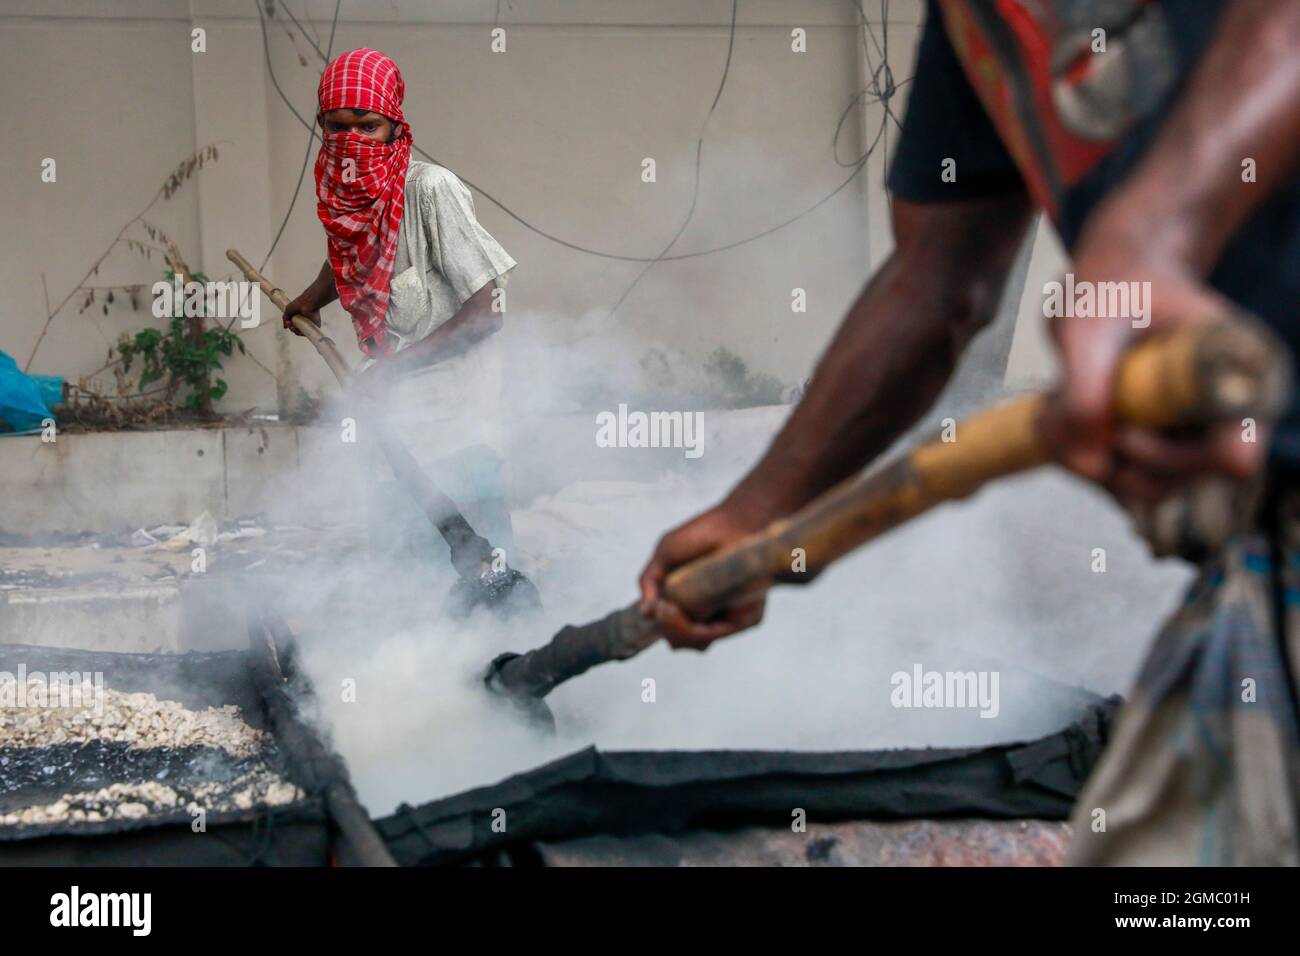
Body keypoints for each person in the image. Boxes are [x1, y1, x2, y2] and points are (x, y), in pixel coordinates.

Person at [638, 0, 1300, 864]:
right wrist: (758, 510)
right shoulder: (970, 24)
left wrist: (1151, 235)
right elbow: (937, 279)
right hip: (1267, 534)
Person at [283, 48, 518, 570]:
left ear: (394, 124)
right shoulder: (344, 189)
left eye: (368, 126)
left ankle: (507, 650)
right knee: (406, 569)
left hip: (459, 421)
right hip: (396, 420)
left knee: (482, 573)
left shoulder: (431, 190)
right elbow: (350, 254)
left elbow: (487, 312)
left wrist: (392, 371)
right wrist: (311, 299)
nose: (353, 142)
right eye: (337, 127)